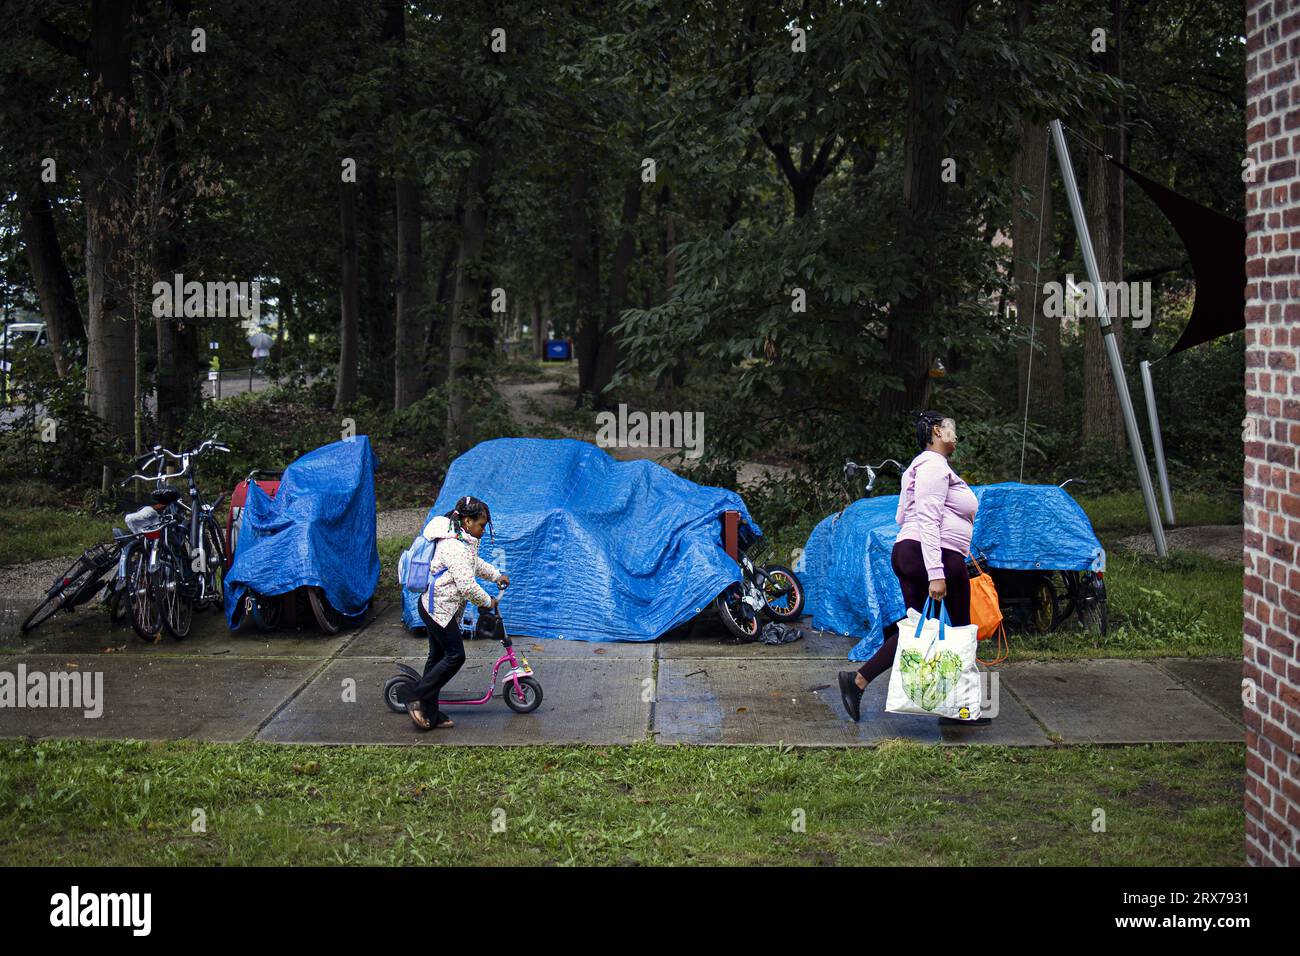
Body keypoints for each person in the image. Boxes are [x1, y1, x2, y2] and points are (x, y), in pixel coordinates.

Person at [839, 411, 989, 725]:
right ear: (936, 431)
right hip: (935, 556)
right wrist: (936, 573)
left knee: (922, 628)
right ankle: (960, 712)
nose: (956, 435)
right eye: (951, 428)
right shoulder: (934, 466)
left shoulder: (917, 468)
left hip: (912, 552)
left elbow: (901, 517)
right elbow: (928, 519)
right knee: (958, 630)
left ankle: (857, 682)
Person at [400, 495, 509, 731]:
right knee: (455, 656)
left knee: (437, 658)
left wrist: (495, 575)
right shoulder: (454, 545)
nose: (483, 529)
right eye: (481, 524)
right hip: (437, 608)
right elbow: (467, 585)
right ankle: (414, 696)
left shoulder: (463, 539)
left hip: (439, 606)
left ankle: (430, 712)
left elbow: (474, 564)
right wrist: (487, 601)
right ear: (468, 521)